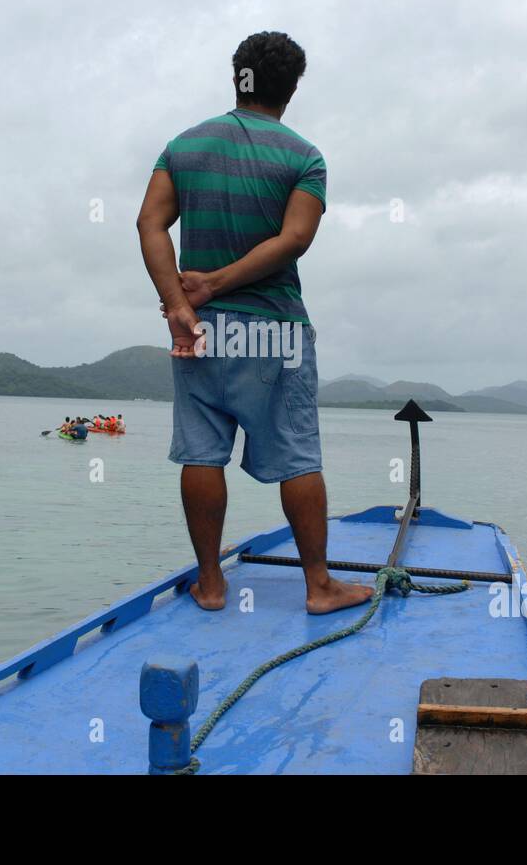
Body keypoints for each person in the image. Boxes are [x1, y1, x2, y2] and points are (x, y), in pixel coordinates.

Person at [136, 30, 371, 616]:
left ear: (237, 76)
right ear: (291, 88)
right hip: (274, 330)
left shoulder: (182, 147)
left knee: (201, 452)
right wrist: (215, 283)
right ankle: (318, 586)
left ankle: (211, 585)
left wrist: (180, 304)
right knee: (297, 455)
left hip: (199, 331)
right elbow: (295, 239)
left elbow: (149, 224)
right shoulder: (303, 157)